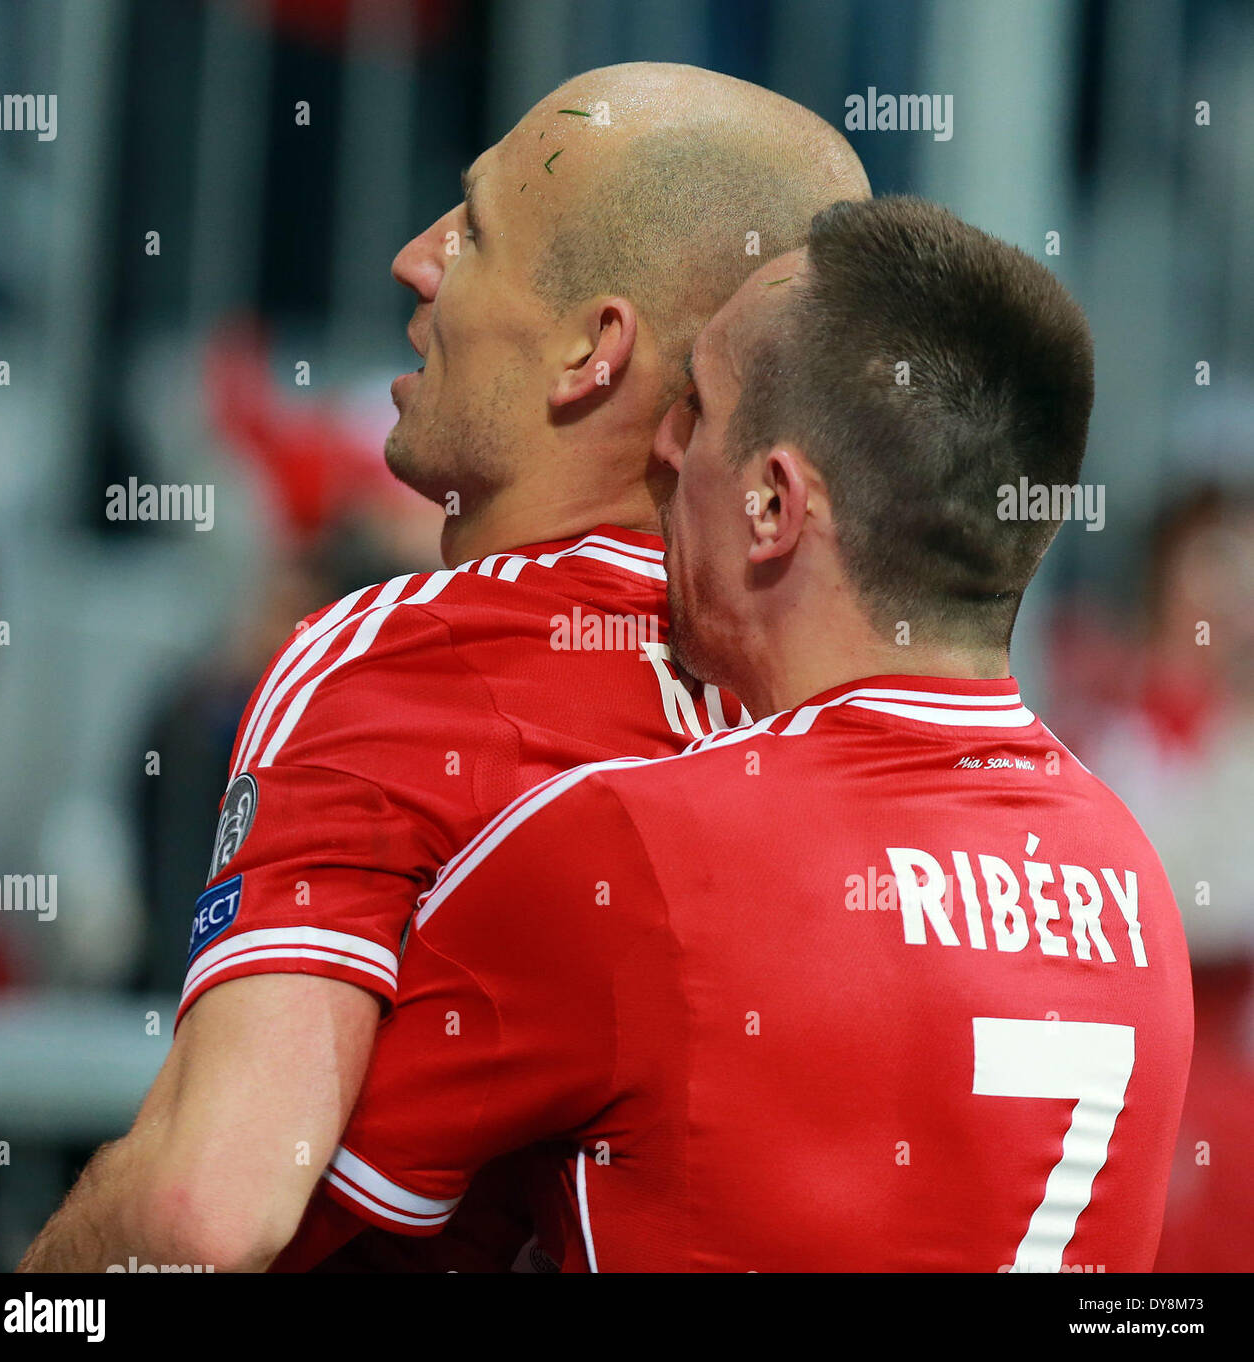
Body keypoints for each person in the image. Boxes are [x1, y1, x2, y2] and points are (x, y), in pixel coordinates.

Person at [18, 63, 869, 1273]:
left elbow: (206, 1213)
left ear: (592, 350)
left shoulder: (399, 657)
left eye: (472, 231)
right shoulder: (860, 706)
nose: (414, 261)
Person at [292, 198, 1193, 1272]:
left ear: (772, 506)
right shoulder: (1130, 876)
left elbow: (278, 1235)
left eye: (698, 409)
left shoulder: (632, 848)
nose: (664, 450)